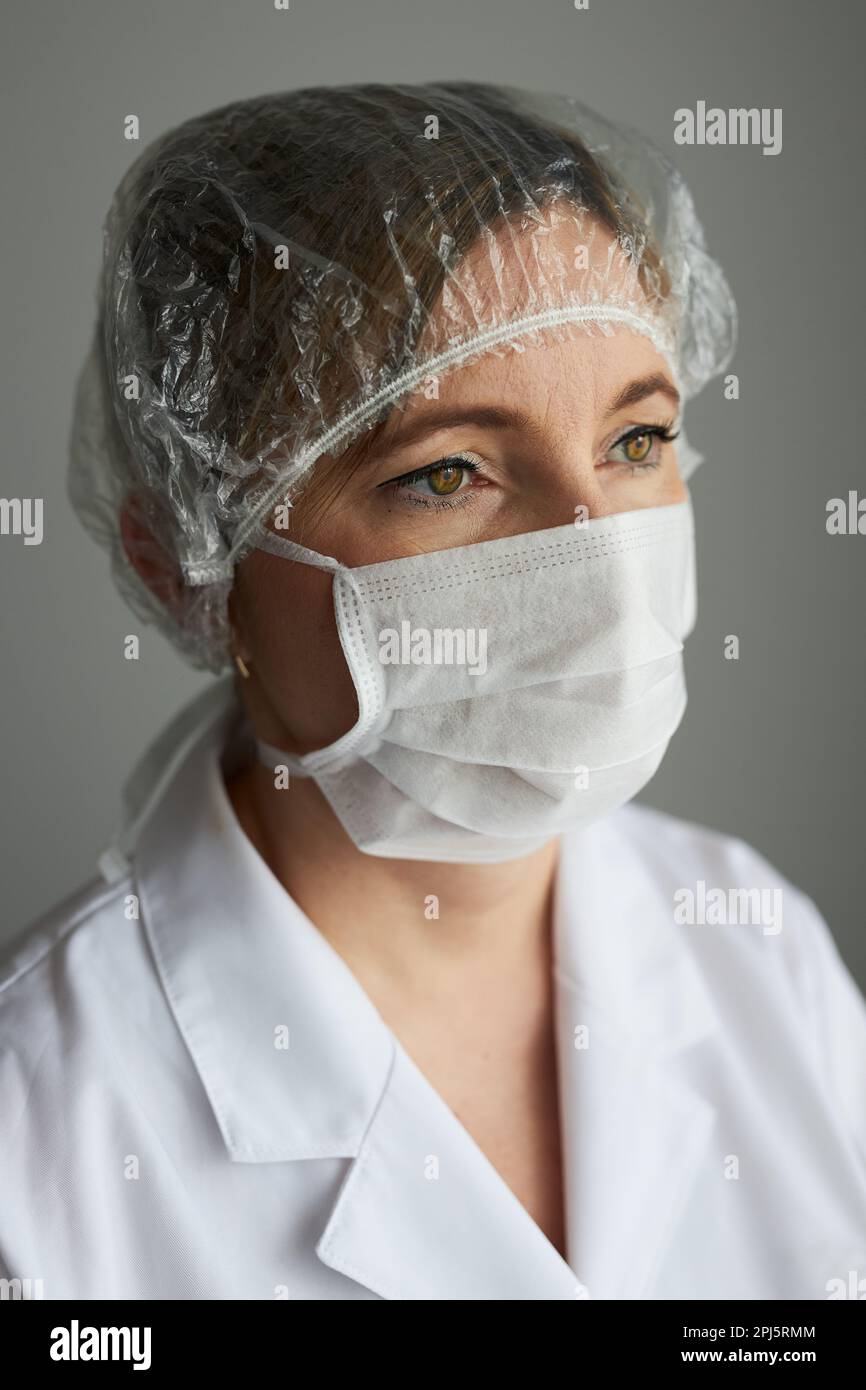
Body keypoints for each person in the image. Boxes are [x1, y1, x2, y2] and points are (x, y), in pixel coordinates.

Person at [1, 81, 864, 1301]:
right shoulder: (38, 1137)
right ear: (191, 565)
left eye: (633, 442)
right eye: (449, 473)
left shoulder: (759, 950)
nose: (598, 563)